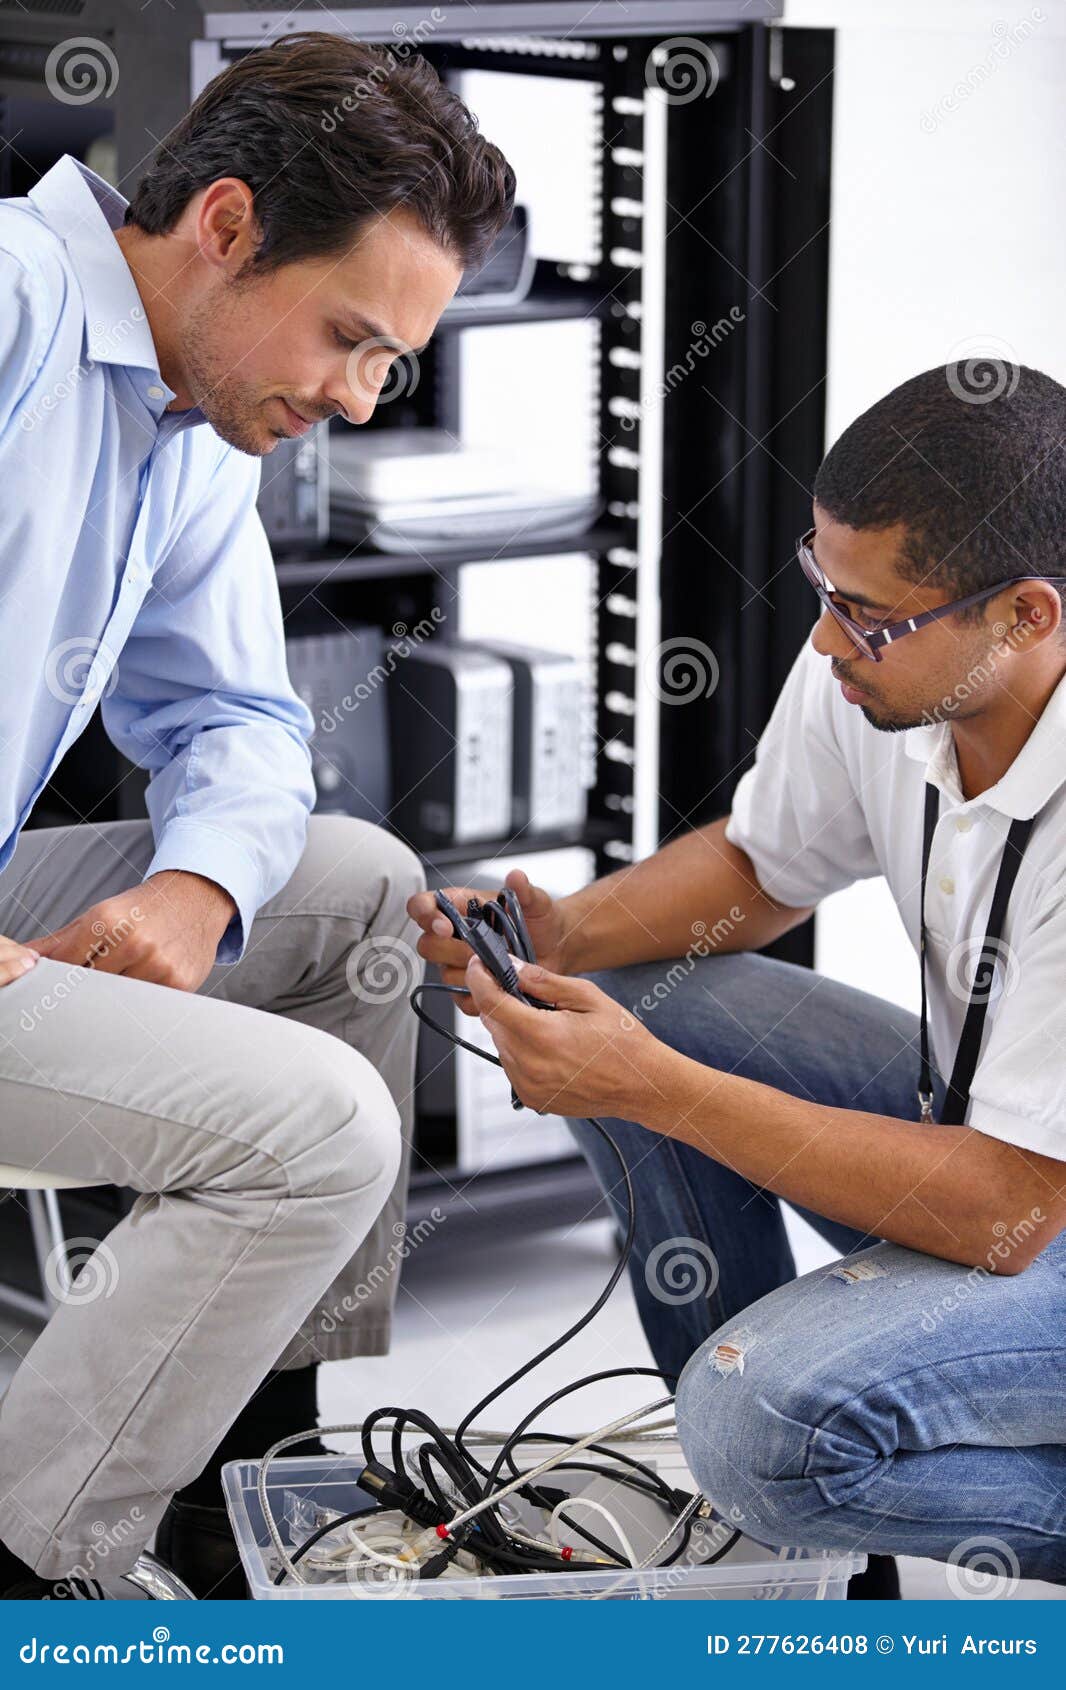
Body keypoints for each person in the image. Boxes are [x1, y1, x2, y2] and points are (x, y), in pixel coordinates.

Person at [0, 32, 513, 1599]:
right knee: (323, 1130)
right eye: (349, 338)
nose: (355, 397)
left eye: (389, 364)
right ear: (226, 226)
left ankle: (239, 1470)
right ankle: (30, 1554)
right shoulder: (13, 307)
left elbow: (240, 723)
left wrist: (201, 891)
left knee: (357, 888)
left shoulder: (188, 413)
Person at [412, 364, 1066, 1590]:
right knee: (661, 1000)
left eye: (865, 615)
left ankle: (777, 1463)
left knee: (753, 1421)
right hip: (995, 1151)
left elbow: (1009, 1215)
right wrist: (564, 935)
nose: (824, 639)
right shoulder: (882, 665)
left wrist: (646, 1084)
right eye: (823, 585)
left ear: (1023, 616)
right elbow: (762, 865)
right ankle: (762, 1550)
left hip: (1032, 1206)